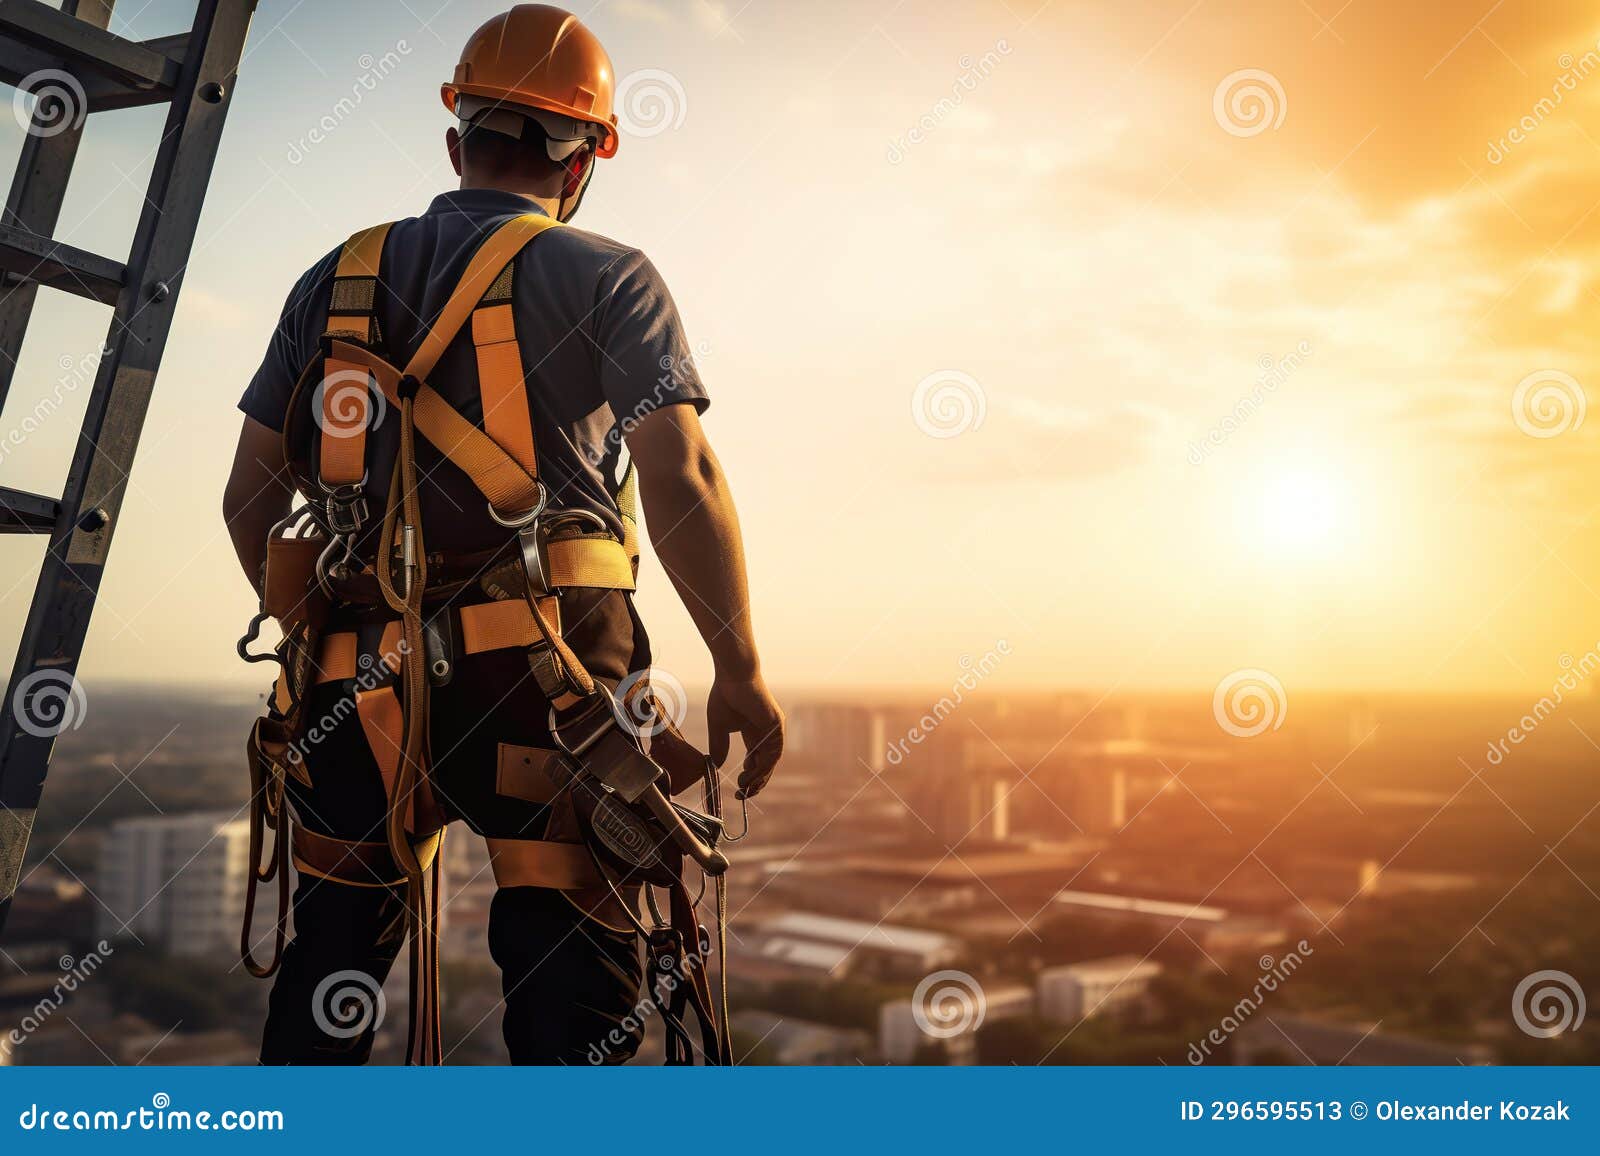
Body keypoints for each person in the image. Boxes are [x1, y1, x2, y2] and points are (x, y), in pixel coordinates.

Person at [221, 3, 782, 1065]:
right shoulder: (612, 276)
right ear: (585, 161)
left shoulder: (335, 280)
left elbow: (248, 502)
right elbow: (683, 474)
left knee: (327, 972)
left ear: (455, 140)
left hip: (357, 684)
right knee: (574, 991)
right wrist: (738, 666)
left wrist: (319, 643)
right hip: (549, 685)